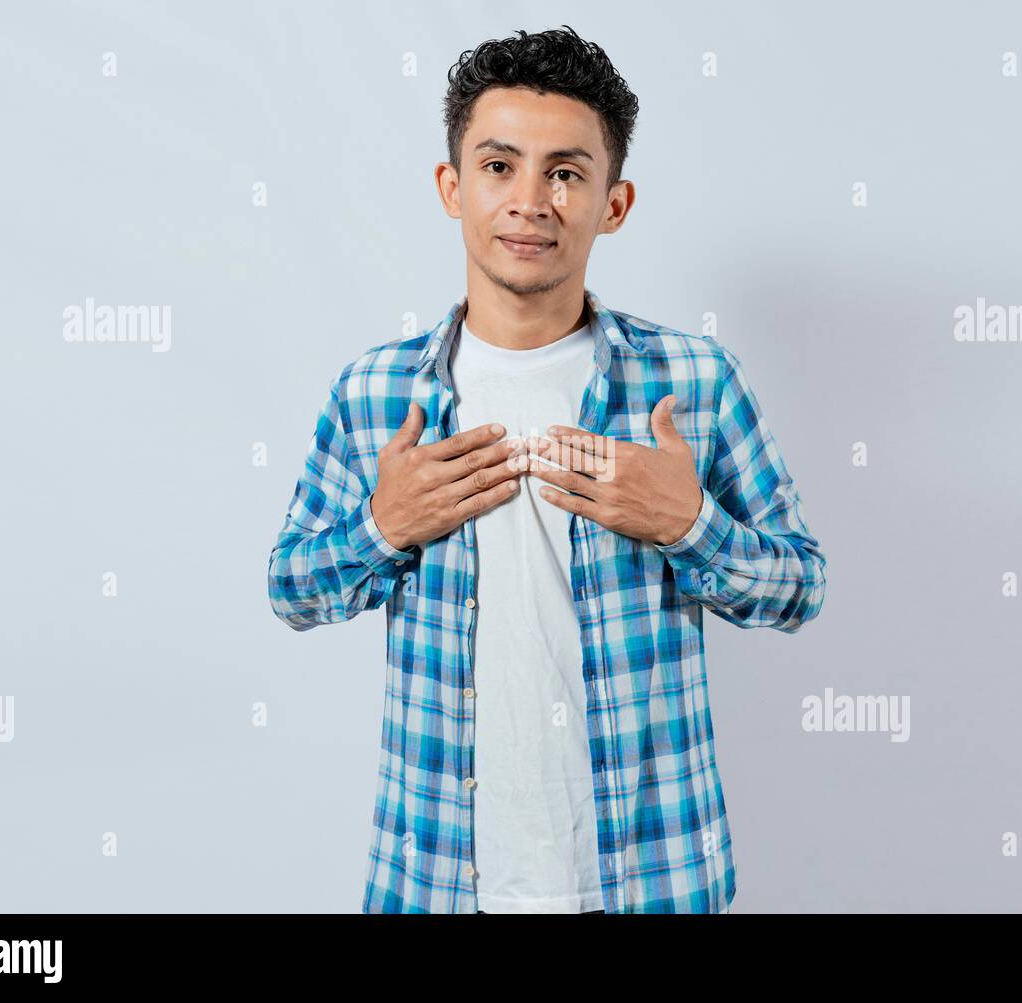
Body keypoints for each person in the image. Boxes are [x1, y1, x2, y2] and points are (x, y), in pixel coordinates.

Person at [267, 25, 826, 914]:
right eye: (499, 166)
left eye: (565, 172)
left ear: (614, 202)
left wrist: (691, 524)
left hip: (651, 881)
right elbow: (292, 588)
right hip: (441, 884)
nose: (530, 200)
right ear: (452, 188)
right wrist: (385, 528)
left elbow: (799, 588)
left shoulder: (692, 382)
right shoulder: (377, 390)